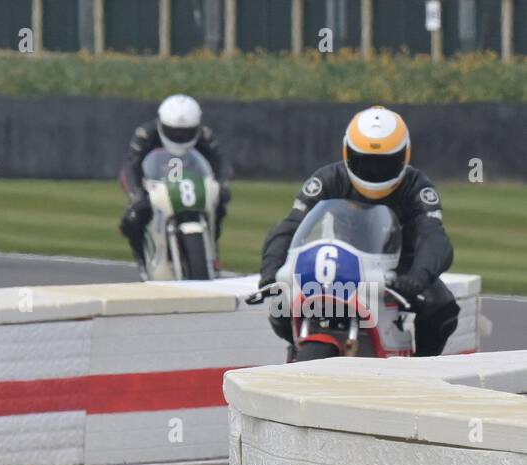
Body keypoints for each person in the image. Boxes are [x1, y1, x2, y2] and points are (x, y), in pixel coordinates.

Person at [258, 105, 459, 357]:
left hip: (399, 269)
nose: (374, 171)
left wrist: (418, 276)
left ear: (404, 156)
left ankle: (425, 369)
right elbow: (290, 225)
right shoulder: (328, 178)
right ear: (347, 152)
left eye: (384, 164)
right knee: (279, 299)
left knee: (441, 308)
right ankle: (297, 342)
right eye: (365, 162)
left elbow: (434, 236)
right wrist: (270, 271)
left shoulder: (417, 187)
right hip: (342, 262)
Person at [118, 94, 231, 267]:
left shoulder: (204, 136)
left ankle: (212, 247)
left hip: (194, 182)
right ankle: (142, 258)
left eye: (186, 132)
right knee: (135, 215)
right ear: (162, 124)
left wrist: (222, 184)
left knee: (220, 203)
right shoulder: (145, 135)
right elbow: (130, 168)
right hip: (156, 183)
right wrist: (137, 193)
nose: (179, 137)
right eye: (174, 132)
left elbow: (220, 163)